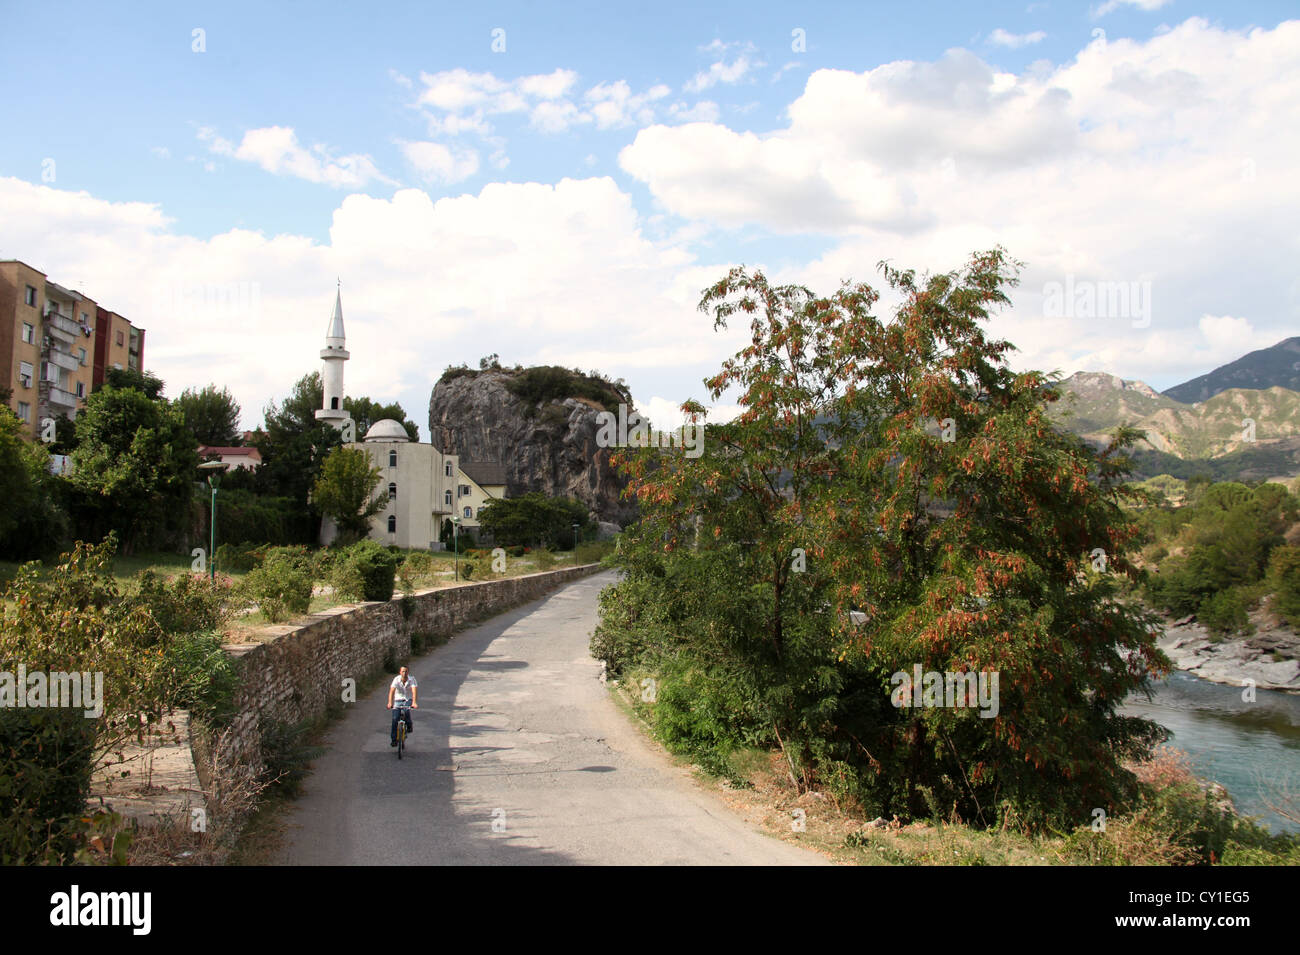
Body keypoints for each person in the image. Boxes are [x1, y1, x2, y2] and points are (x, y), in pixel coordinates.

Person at [387, 665, 419, 746]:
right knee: (395, 719)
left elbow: (414, 691)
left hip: (408, 699)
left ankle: (409, 725)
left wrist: (414, 702)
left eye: (406, 671)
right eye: (403, 671)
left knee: (406, 710)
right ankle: (394, 740)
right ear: (400, 672)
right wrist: (390, 703)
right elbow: (391, 692)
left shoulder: (412, 679)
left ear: (408, 672)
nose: (404, 673)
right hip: (398, 700)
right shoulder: (396, 680)